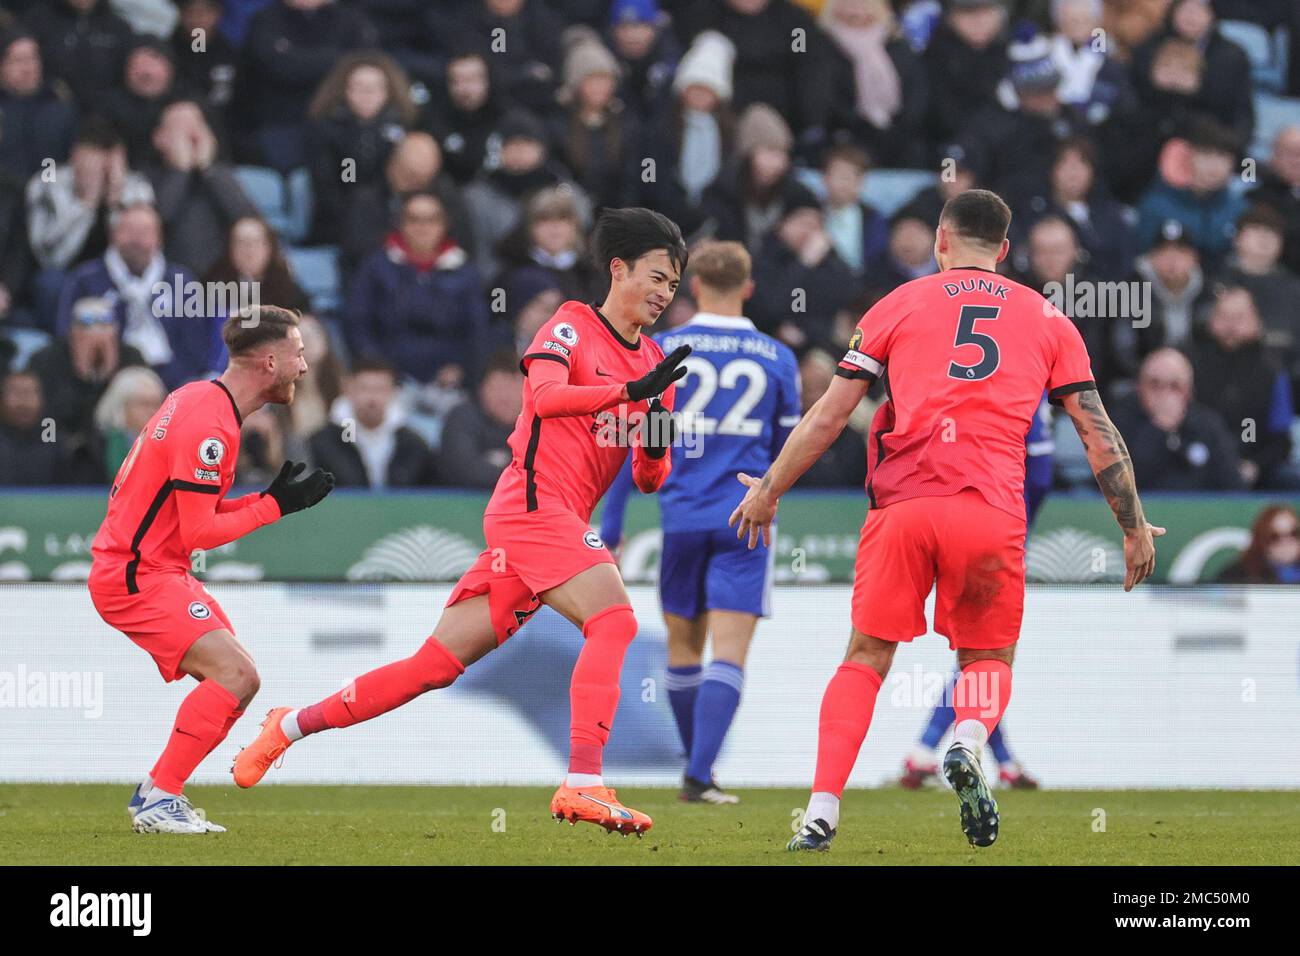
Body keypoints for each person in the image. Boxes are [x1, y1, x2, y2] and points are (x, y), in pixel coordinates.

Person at [233, 208, 692, 837]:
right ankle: (584, 783)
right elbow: (546, 400)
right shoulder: (571, 327)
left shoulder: (657, 362)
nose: (666, 294)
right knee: (613, 621)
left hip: (554, 525)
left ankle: (287, 724)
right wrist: (629, 393)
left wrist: (660, 427)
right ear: (619, 269)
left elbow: (647, 478)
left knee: (432, 667)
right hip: (532, 509)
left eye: (674, 284)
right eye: (658, 277)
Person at [730, 189, 1164, 851]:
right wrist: (1132, 523)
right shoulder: (1050, 319)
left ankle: (820, 814)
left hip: (903, 506)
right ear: (1006, 252)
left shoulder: (897, 304)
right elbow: (1097, 433)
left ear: (940, 242)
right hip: (990, 509)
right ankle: (965, 740)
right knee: (988, 656)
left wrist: (768, 489)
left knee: (867, 656)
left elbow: (824, 417)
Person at [86, 306, 335, 833]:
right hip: (138, 574)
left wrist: (267, 499)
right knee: (236, 674)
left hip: (152, 568)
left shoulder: (197, 399)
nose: (305, 367)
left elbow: (189, 514)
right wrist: (274, 509)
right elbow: (199, 533)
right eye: (299, 353)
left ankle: (156, 792)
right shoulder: (210, 426)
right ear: (270, 361)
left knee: (241, 681)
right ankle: (160, 800)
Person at [598, 240, 800, 803]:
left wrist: (612, 528)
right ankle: (699, 773)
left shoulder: (663, 350)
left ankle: (697, 769)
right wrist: (770, 489)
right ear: (749, 286)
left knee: (683, 653)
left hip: (680, 516)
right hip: (746, 520)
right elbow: (791, 446)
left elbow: (639, 442)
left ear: (691, 287)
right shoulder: (775, 356)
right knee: (729, 654)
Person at [1108, 347, 1244, 490]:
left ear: (1189, 391)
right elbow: (1114, 485)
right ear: (1140, 387)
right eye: (1155, 384)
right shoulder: (1121, 422)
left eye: (1175, 386)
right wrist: (1158, 431)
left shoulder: (1208, 425)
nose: (1164, 393)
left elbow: (1233, 486)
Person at [307, 358, 435, 489]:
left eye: (380, 389)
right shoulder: (323, 442)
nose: (372, 398)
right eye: (364, 389)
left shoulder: (413, 444)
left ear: (392, 392)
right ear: (348, 390)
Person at [437, 350, 524, 488]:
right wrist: (520, 474)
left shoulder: (542, 424)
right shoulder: (461, 418)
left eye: (514, 388)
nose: (506, 397)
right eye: (498, 388)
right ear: (481, 389)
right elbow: (465, 471)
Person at [1216, 504, 1300, 584]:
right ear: (1262, 539)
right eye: (1275, 536)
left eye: (1293, 533)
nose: (1286, 542)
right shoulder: (1238, 575)